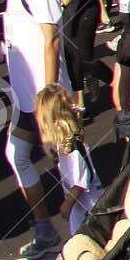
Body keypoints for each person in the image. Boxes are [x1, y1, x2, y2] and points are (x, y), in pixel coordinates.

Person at [0, 0, 76, 258]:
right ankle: (46, 231)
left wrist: (49, 97)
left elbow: (52, 38)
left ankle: (87, 236)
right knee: (17, 154)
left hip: (44, 98)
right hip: (26, 99)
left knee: (71, 167)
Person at [33, 82, 102, 234]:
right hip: (82, 208)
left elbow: (82, 180)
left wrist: (67, 204)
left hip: (89, 207)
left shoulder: (70, 147)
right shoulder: (63, 144)